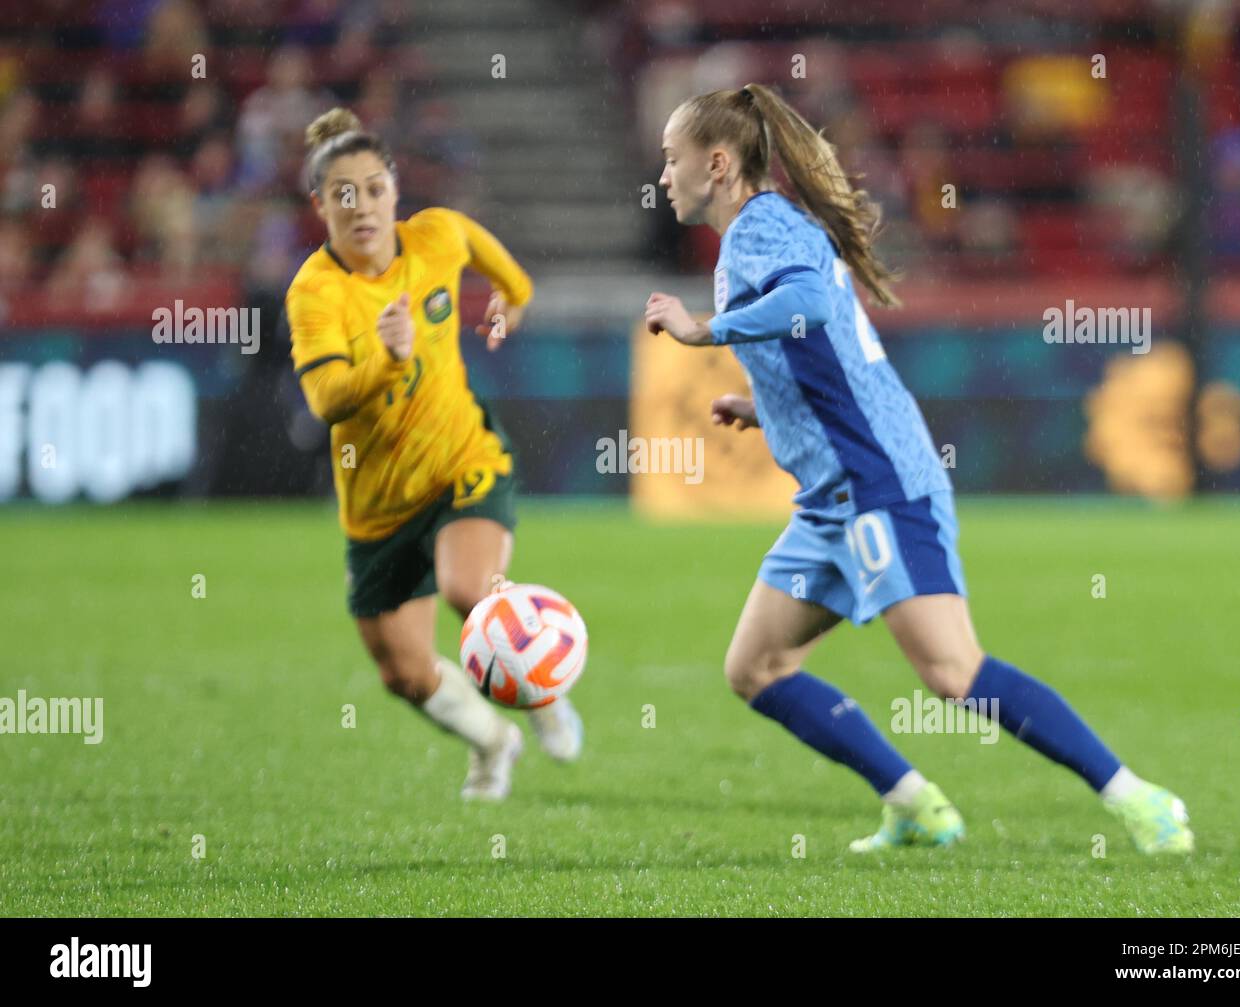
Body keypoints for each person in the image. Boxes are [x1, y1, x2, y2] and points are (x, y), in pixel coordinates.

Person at [644, 84, 1191, 854]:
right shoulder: (760, 233)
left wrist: (704, 331)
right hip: (831, 498)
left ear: (719, 162)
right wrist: (764, 408)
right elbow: (827, 357)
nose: (664, 175)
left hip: (879, 486)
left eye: (672, 159)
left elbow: (809, 304)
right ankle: (915, 804)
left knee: (952, 669)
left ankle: (1139, 799)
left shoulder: (761, 228)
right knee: (757, 666)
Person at [285, 107, 583, 801]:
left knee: (466, 588)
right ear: (321, 204)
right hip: (379, 505)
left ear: (394, 188)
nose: (362, 206)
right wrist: (391, 360)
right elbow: (327, 398)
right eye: (343, 193)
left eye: (375, 188)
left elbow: (504, 269)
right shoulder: (316, 292)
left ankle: (540, 689)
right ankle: (493, 740)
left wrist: (513, 300)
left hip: (462, 461)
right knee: (405, 674)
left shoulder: (437, 237)